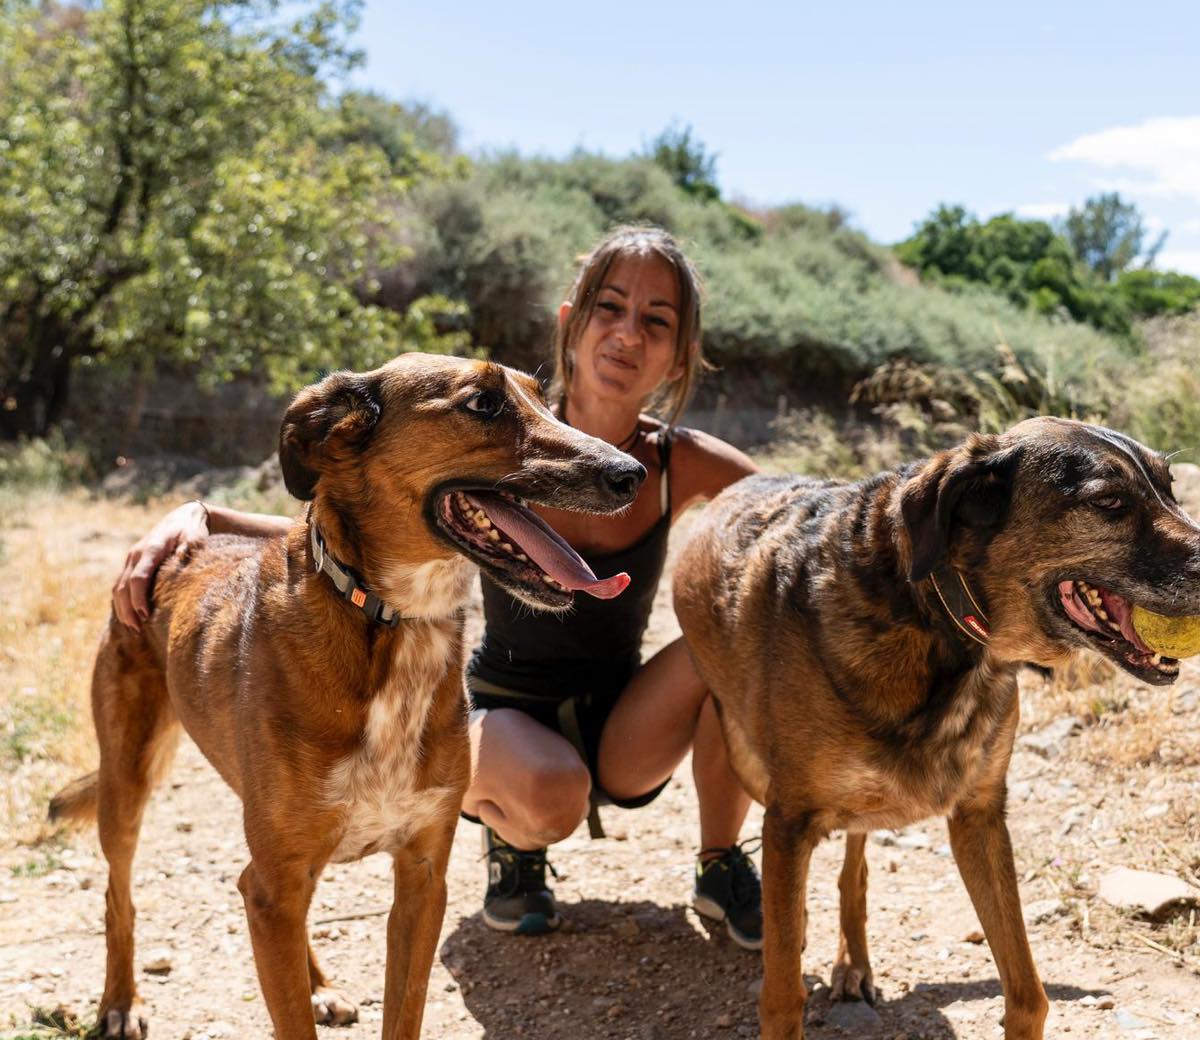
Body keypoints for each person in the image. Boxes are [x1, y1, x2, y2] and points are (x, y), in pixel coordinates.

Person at [111, 226, 764, 948]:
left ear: (682, 353)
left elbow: (793, 514)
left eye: (657, 321)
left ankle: (720, 861)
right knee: (552, 795)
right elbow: (361, 520)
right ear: (570, 322)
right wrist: (204, 514)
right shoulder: (493, 429)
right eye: (609, 307)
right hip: (505, 717)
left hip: (623, 719)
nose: (628, 334)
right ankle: (513, 846)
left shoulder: (680, 459)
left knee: (732, 633)